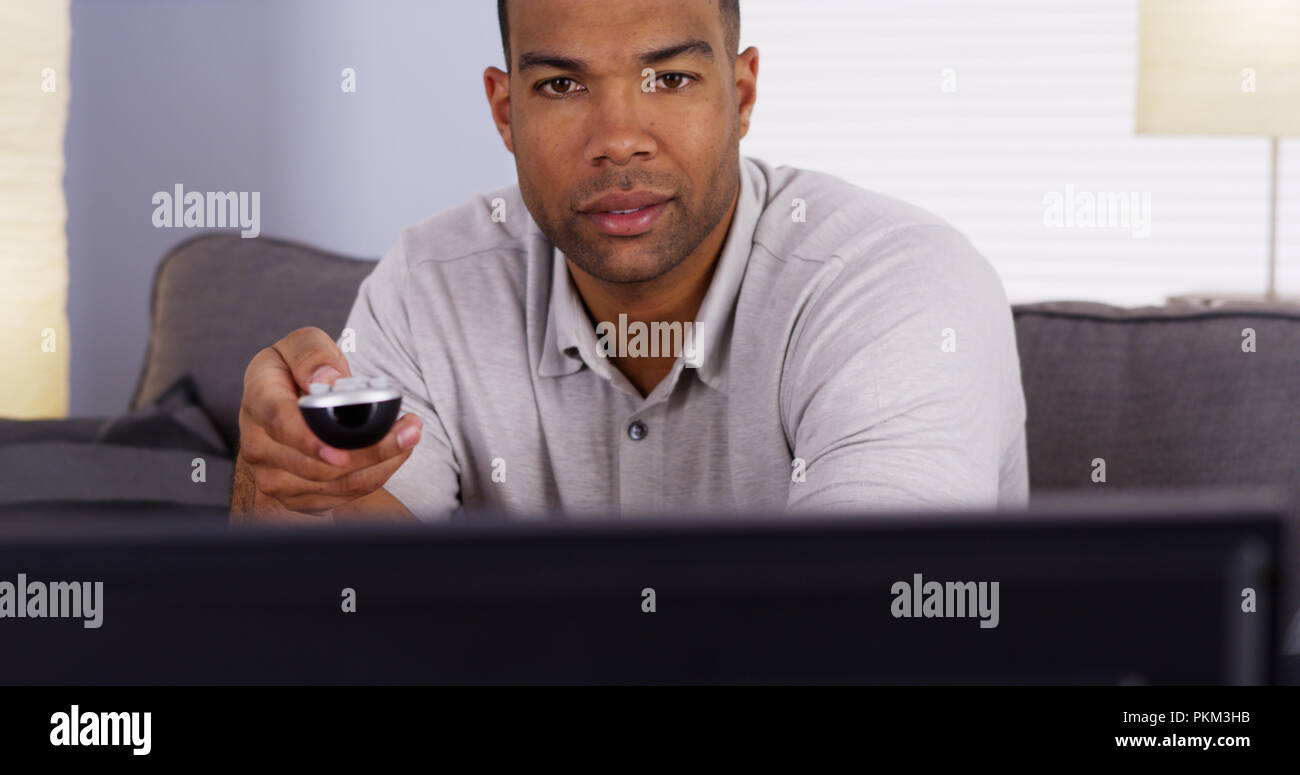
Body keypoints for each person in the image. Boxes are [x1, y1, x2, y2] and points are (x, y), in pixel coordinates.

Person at [230, 0, 1028, 524]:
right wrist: (296, 478)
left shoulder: (896, 290)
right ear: (506, 112)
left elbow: (867, 634)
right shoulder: (427, 284)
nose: (618, 136)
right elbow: (337, 610)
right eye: (563, 85)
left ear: (741, 96)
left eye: (671, 78)